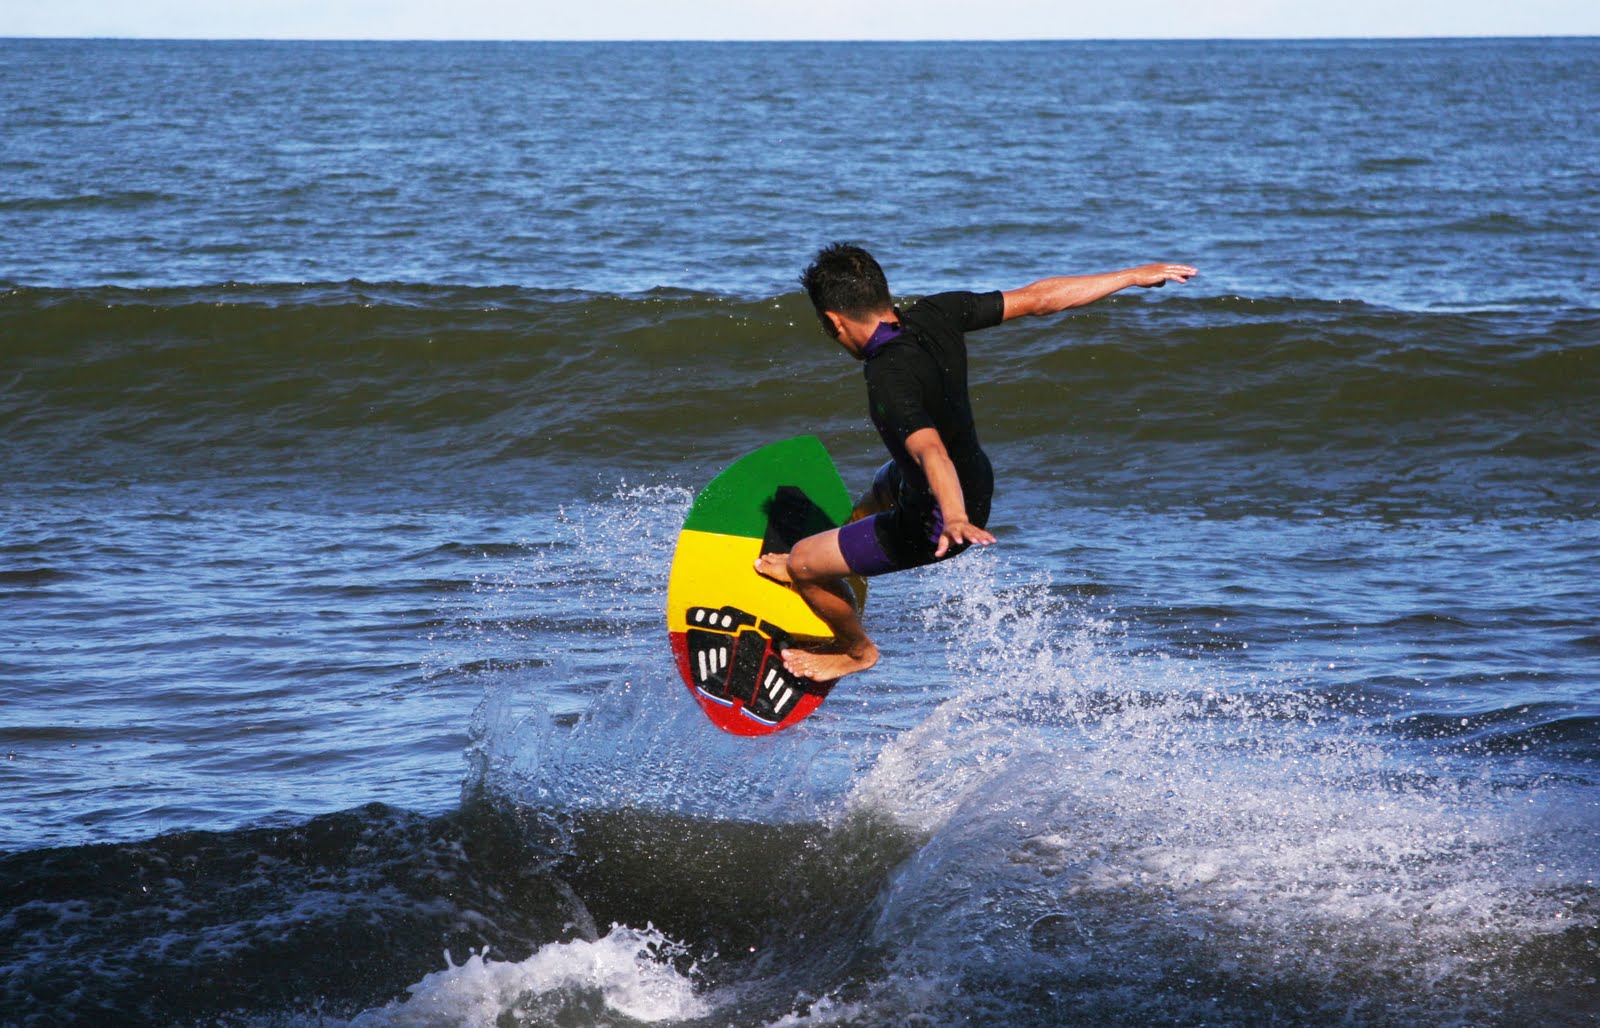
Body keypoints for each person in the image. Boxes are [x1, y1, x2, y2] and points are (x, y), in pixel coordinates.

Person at [755, 243, 1197, 683]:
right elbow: (1039, 299)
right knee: (882, 486)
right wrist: (1131, 275)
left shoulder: (887, 375)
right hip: (971, 476)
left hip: (936, 517)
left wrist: (955, 517)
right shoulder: (936, 313)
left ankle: (856, 651)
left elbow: (931, 451)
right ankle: (851, 561)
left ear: (833, 321)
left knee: (802, 563)